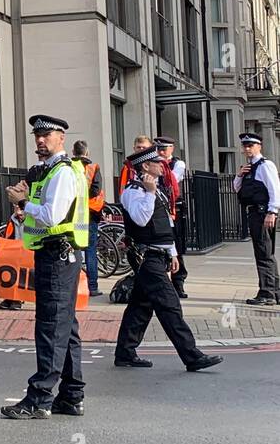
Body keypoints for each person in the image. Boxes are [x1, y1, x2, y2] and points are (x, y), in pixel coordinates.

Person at [1, 115, 89, 420]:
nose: (40, 139)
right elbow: (40, 218)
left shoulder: (62, 172)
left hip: (58, 255)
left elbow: (52, 216)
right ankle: (71, 395)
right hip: (57, 254)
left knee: (51, 326)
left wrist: (25, 203)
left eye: (47, 134)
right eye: (37, 134)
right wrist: (23, 212)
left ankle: (39, 398)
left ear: (61, 137)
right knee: (66, 327)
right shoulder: (48, 172)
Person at [115, 145, 223, 373]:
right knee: (169, 304)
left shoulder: (157, 190)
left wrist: (173, 254)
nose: (162, 165)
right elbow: (141, 220)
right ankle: (191, 356)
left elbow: (166, 225)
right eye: (157, 162)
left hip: (159, 254)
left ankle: (125, 352)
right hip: (145, 256)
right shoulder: (132, 192)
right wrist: (150, 192)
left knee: (141, 306)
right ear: (145, 166)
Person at [234, 132, 280, 306]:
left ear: (259, 146)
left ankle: (267, 292)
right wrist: (239, 175)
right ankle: (275, 291)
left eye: (250, 145)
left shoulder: (265, 165)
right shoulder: (249, 167)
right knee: (266, 252)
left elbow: (275, 189)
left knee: (264, 253)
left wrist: (272, 211)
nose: (247, 149)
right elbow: (236, 188)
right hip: (255, 212)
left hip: (263, 213)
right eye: (245, 146)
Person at [154, 137, 189, 297]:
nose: (161, 152)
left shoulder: (178, 164)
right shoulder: (155, 164)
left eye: (164, 149)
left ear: (171, 149)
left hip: (175, 208)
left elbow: (171, 180)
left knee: (177, 245)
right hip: (159, 207)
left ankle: (178, 283)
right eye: (158, 149)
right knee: (162, 244)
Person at [73, 140, 105, 298]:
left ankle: (76, 285)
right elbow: (96, 189)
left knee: (75, 249)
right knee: (91, 250)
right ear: (87, 153)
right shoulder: (93, 168)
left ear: (73, 152)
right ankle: (92, 287)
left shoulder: (68, 168)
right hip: (90, 213)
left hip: (74, 214)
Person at [0, 203, 26, 310]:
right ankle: (10, 298)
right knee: (8, 272)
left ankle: (17, 299)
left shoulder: (30, 219)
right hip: (13, 252)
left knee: (21, 274)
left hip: (27, 252)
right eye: (15, 205)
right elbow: (7, 237)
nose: (17, 207)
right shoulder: (12, 220)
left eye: (19, 205)